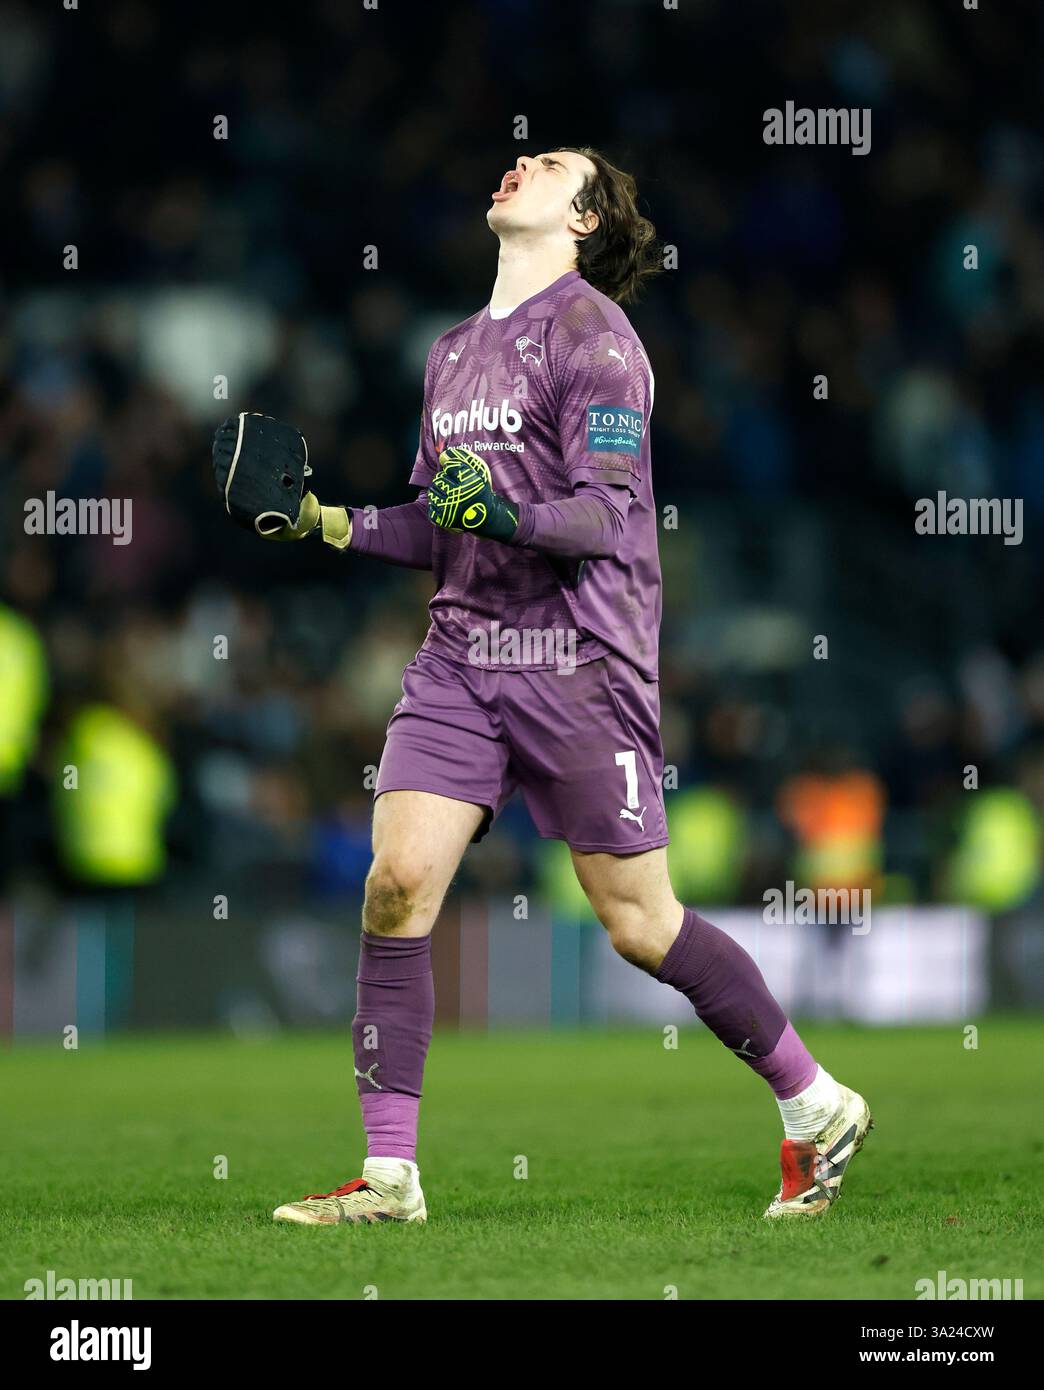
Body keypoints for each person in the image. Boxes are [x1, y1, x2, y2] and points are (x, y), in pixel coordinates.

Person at [216, 147, 871, 1226]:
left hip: (578, 660)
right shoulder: (451, 352)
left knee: (638, 920)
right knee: (396, 883)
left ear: (584, 219)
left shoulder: (598, 341)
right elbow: (440, 518)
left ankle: (817, 1102)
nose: (520, 161)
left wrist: (498, 514)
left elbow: (601, 518)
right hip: (462, 658)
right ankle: (388, 1180)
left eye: (552, 163)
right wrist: (331, 521)